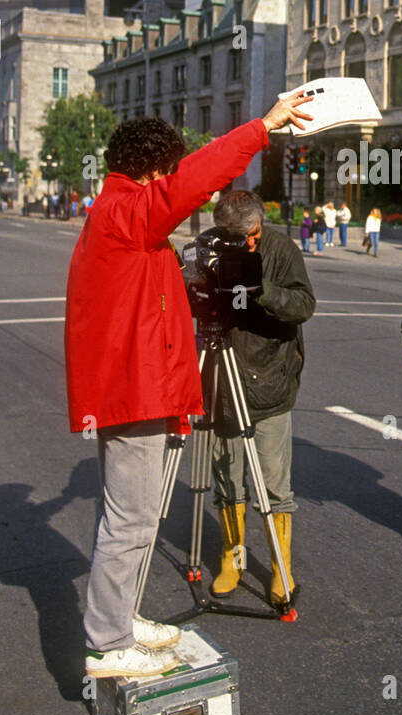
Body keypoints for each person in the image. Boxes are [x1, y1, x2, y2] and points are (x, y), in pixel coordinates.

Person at [64, 92, 311, 681]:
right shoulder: (128, 209)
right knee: (131, 520)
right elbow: (192, 184)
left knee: (134, 515)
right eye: (168, 172)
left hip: (137, 385)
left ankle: (119, 619)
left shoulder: (118, 211)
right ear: (153, 170)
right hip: (134, 391)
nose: (173, 181)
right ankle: (106, 640)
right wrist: (262, 128)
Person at [205, 191, 315, 606]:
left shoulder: (282, 249)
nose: (245, 245)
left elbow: (304, 304)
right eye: (236, 238)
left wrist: (261, 289)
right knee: (227, 477)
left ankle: (280, 566)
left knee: (272, 485)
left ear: (261, 222)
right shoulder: (215, 246)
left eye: (251, 236)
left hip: (269, 379)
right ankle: (231, 558)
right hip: (222, 381)